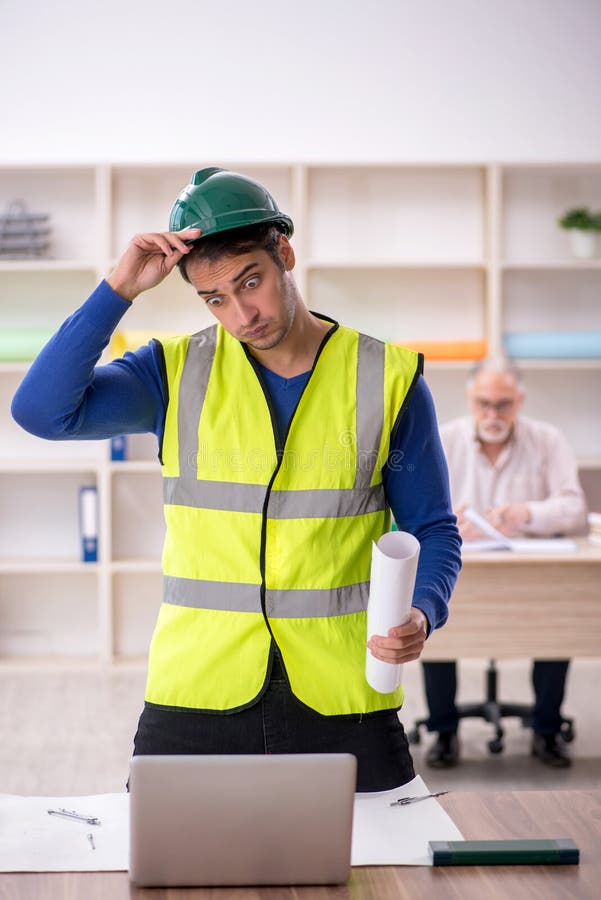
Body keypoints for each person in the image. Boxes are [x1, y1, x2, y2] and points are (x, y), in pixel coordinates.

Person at [11, 167, 461, 792]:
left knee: (373, 879)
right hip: (197, 689)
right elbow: (40, 412)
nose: (242, 313)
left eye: (251, 282)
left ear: (285, 254)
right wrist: (118, 288)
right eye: (215, 299)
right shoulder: (171, 372)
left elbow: (433, 527)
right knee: (170, 877)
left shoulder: (386, 378)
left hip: (343, 694)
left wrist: (423, 608)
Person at [423, 359, 587, 770]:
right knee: (434, 620)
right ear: (469, 400)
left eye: (503, 405)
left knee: (557, 623)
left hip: (532, 571)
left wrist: (527, 514)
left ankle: (547, 730)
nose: (492, 415)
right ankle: (443, 731)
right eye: (484, 404)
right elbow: (419, 508)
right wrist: (449, 522)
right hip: (463, 568)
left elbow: (574, 508)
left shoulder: (547, 440)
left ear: (520, 402)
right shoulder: (443, 439)